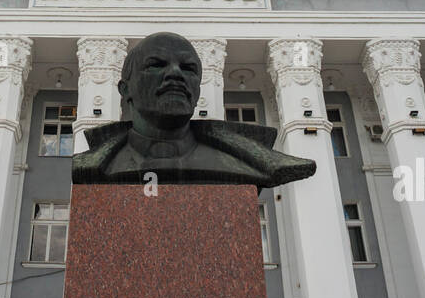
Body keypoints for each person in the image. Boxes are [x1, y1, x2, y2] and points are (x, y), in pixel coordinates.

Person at [71, 32, 316, 188]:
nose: (176, 74)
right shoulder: (93, 164)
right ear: (125, 90)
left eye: (188, 68)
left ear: (197, 89)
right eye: (156, 65)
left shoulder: (249, 163)